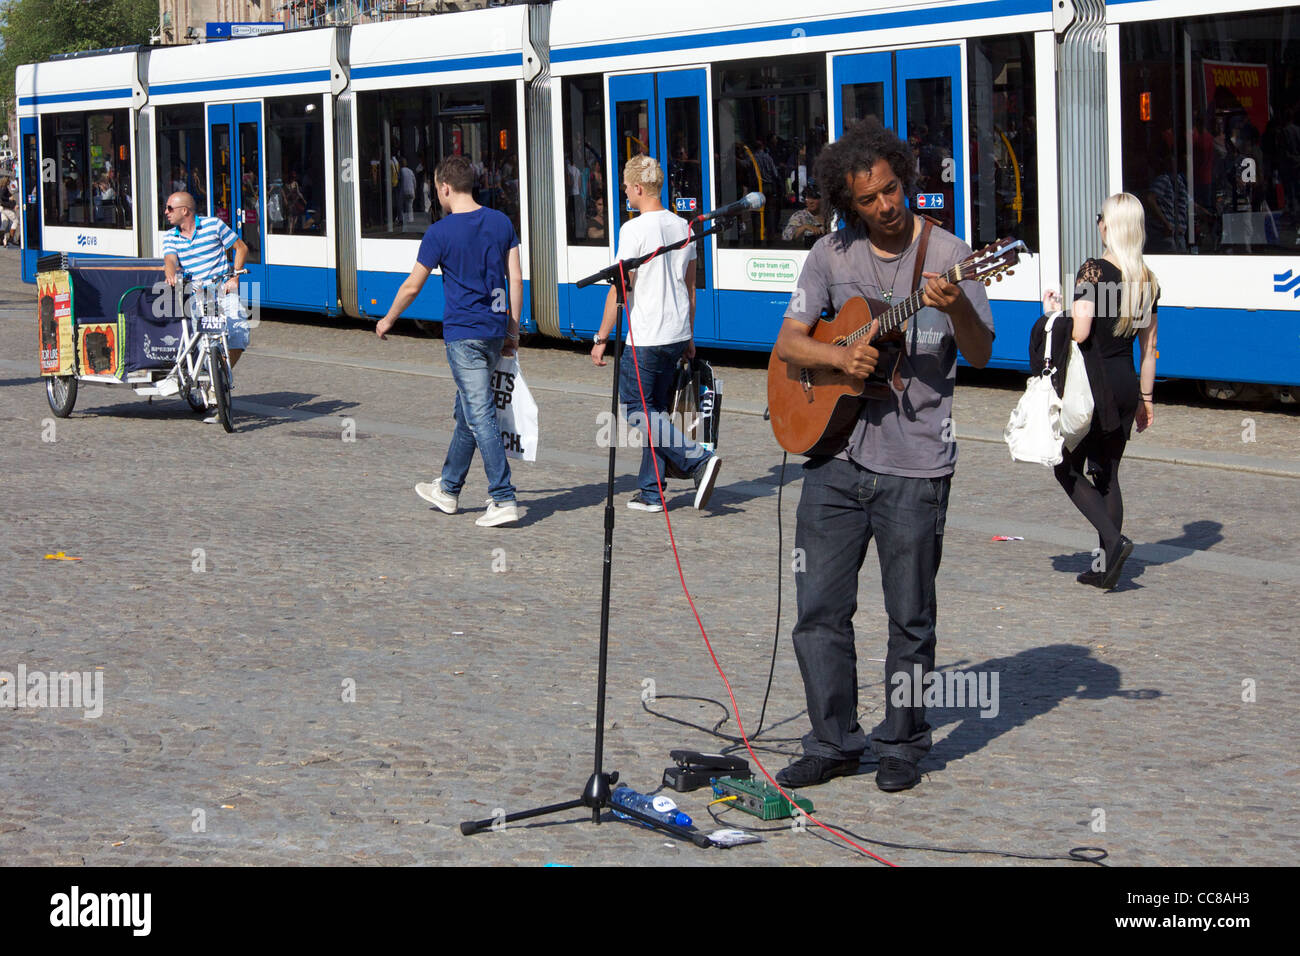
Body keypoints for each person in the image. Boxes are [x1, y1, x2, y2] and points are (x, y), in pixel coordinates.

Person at [772, 118, 994, 793]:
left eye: (893, 190)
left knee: (909, 617)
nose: (886, 206)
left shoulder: (953, 254)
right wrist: (841, 356)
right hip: (835, 458)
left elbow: (982, 351)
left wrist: (954, 309)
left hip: (916, 465)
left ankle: (901, 740)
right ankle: (834, 740)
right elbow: (789, 344)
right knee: (818, 611)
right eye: (868, 200)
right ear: (849, 204)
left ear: (907, 180)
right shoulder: (831, 256)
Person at [375, 154, 523, 528]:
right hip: (492, 331)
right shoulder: (501, 221)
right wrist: (513, 330)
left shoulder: (439, 232)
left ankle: (503, 497)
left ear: (443, 187)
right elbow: (516, 279)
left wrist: (388, 319)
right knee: (467, 415)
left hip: (463, 335)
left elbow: (413, 285)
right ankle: (449, 489)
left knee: (480, 414)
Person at [589, 154, 721, 513]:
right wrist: (690, 336)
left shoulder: (633, 230)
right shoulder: (683, 227)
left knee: (636, 411)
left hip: (646, 336)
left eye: (626, 188)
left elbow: (620, 288)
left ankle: (697, 460)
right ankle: (652, 492)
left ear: (639, 188)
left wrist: (601, 338)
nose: (624, 193)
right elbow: (690, 288)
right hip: (676, 331)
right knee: (658, 411)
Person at [1049, 193, 1159, 591]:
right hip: (1127, 384)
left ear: (1109, 226)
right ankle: (1105, 568)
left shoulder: (1093, 271)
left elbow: (1079, 332)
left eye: (1101, 218)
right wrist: (1147, 401)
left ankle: (1113, 543)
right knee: (1108, 475)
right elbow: (1149, 350)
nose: (1098, 223)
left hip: (1095, 385)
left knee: (1065, 465)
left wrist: (1057, 308)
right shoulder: (1146, 279)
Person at [162, 191, 250, 422]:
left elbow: (240, 248)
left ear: (185, 211)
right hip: (198, 294)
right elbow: (170, 259)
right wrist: (170, 273)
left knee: (239, 333)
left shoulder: (214, 225)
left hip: (222, 288)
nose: (166, 212)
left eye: (170, 208)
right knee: (207, 341)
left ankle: (218, 378)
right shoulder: (171, 236)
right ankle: (214, 389)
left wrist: (235, 276)